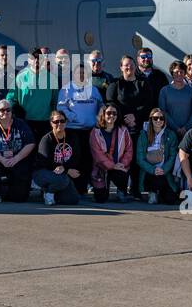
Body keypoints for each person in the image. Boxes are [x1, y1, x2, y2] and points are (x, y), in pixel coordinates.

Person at [56, 60, 102, 189]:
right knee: (74, 159)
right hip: (72, 130)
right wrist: (72, 117)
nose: (81, 75)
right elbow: (61, 108)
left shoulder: (93, 90)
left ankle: (83, 187)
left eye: (84, 73)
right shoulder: (66, 90)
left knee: (87, 159)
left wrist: (100, 116)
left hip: (90, 130)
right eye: (78, 73)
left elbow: (101, 105)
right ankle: (72, 187)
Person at [0, 100, 35, 203]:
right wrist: (2, 159)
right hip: (0, 160)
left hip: (17, 160)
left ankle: (6, 190)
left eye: (8, 110)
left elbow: (30, 143)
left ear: (12, 112)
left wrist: (16, 158)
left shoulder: (20, 124)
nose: (5, 112)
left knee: (19, 198)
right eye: (1, 110)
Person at [34, 110, 82, 205]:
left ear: (66, 122)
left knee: (73, 199)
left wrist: (65, 168)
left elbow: (76, 157)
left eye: (62, 121)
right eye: (56, 121)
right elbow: (45, 162)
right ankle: (49, 192)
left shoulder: (72, 137)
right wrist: (67, 170)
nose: (59, 123)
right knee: (63, 179)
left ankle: (50, 191)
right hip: (42, 172)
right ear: (51, 123)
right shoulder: (46, 139)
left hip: (61, 173)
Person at [89, 104, 134, 202]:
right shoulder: (95, 132)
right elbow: (97, 155)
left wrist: (122, 164)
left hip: (119, 166)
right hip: (102, 168)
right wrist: (112, 166)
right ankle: (100, 190)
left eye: (114, 113)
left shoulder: (123, 130)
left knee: (121, 175)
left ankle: (121, 191)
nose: (112, 116)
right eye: (109, 113)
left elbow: (129, 150)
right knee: (101, 199)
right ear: (103, 114)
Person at [105, 54, 151, 136]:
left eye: (132, 65)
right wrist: (125, 118)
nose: (129, 67)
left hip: (140, 125)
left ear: (135, 66)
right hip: (119, 126)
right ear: (121, 67)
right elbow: (111, 104)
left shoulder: (143, 83)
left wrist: (135, 117)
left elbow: (148, 103)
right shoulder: (114, 84)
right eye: (126, 65)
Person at [11, 47, 55, 131]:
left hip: (45, 122)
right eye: (33, 58)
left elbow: (55, 101)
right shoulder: (20, 77)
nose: (36, 60)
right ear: (28, 60)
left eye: (38, 57)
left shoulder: (52, 78)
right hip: (26, 122)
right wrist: (16, 111)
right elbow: (11, 98)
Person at [160, 60, 192, 139]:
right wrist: (176, 128)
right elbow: (163, 111)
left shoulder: (191, 91)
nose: (179, 74)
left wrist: (186, 128)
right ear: (172, 73)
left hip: (188, 132)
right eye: (176, 72)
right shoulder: (164, 91)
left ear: (185, 73)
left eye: (181, 72)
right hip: (169, 132)